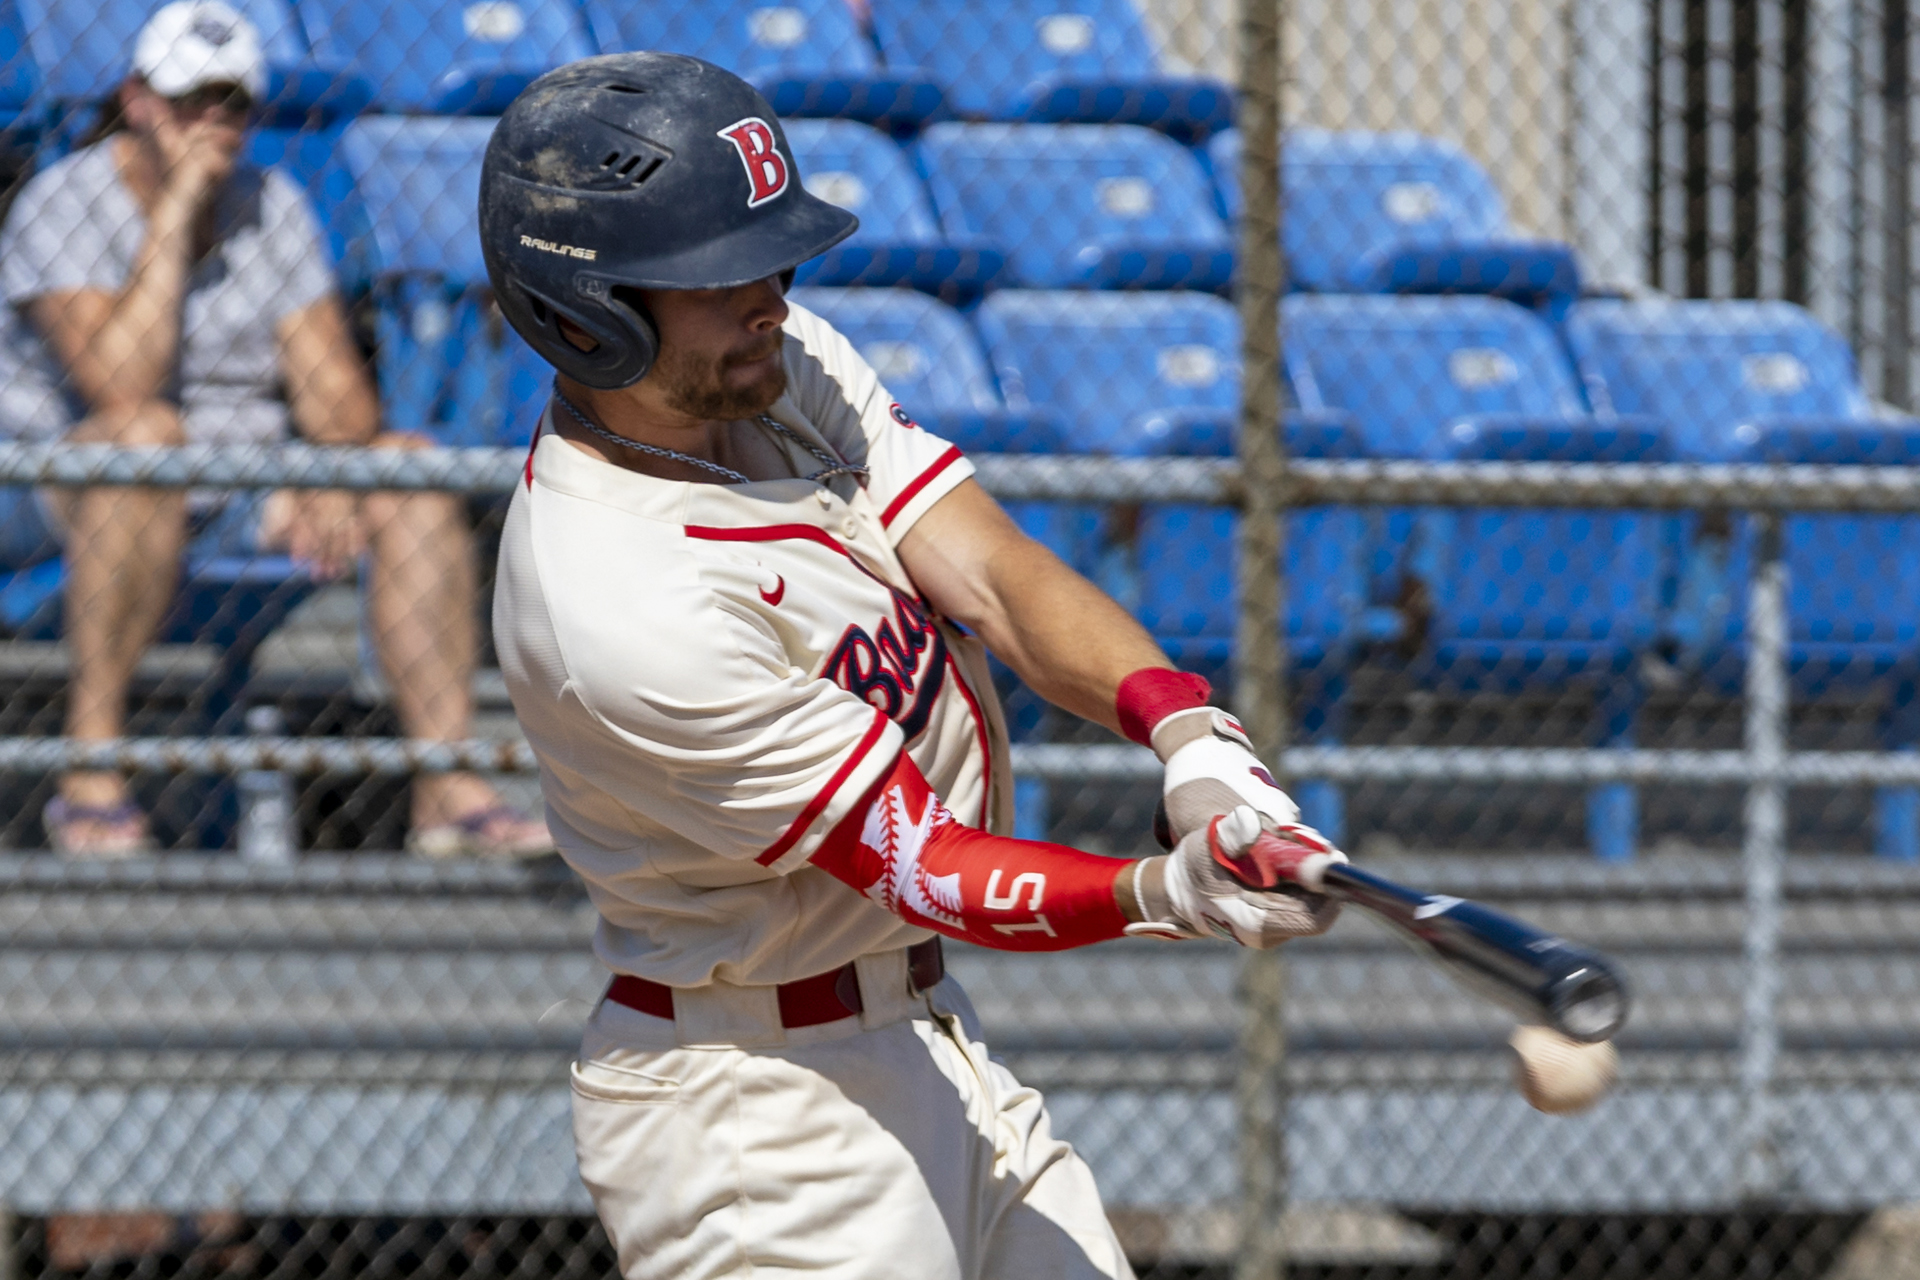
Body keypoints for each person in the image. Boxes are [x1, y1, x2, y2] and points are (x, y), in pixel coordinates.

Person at [486, 53, 1346, 1280]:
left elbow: (992, 571)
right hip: (761, 1116)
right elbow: (923, 863)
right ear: (586, 306)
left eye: (773, 263)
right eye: (720, 277)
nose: (769, 300)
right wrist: (1165, 889)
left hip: (926, 1034)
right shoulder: (615, 598)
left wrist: (1193, 739)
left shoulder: (773, 372)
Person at [0, 0, 550, 859]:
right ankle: (91, 768)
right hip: (54, 490)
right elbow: (119, 385)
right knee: (144, 437)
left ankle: (449, 788)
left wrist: (326, 475)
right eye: (189, 103)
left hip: (229, 484)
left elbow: (341, 409)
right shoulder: (63, 200)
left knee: (406, 469)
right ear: (138, 102)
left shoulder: (273, 204)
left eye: (231, 105)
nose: (211, 124)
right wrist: (175, 217)